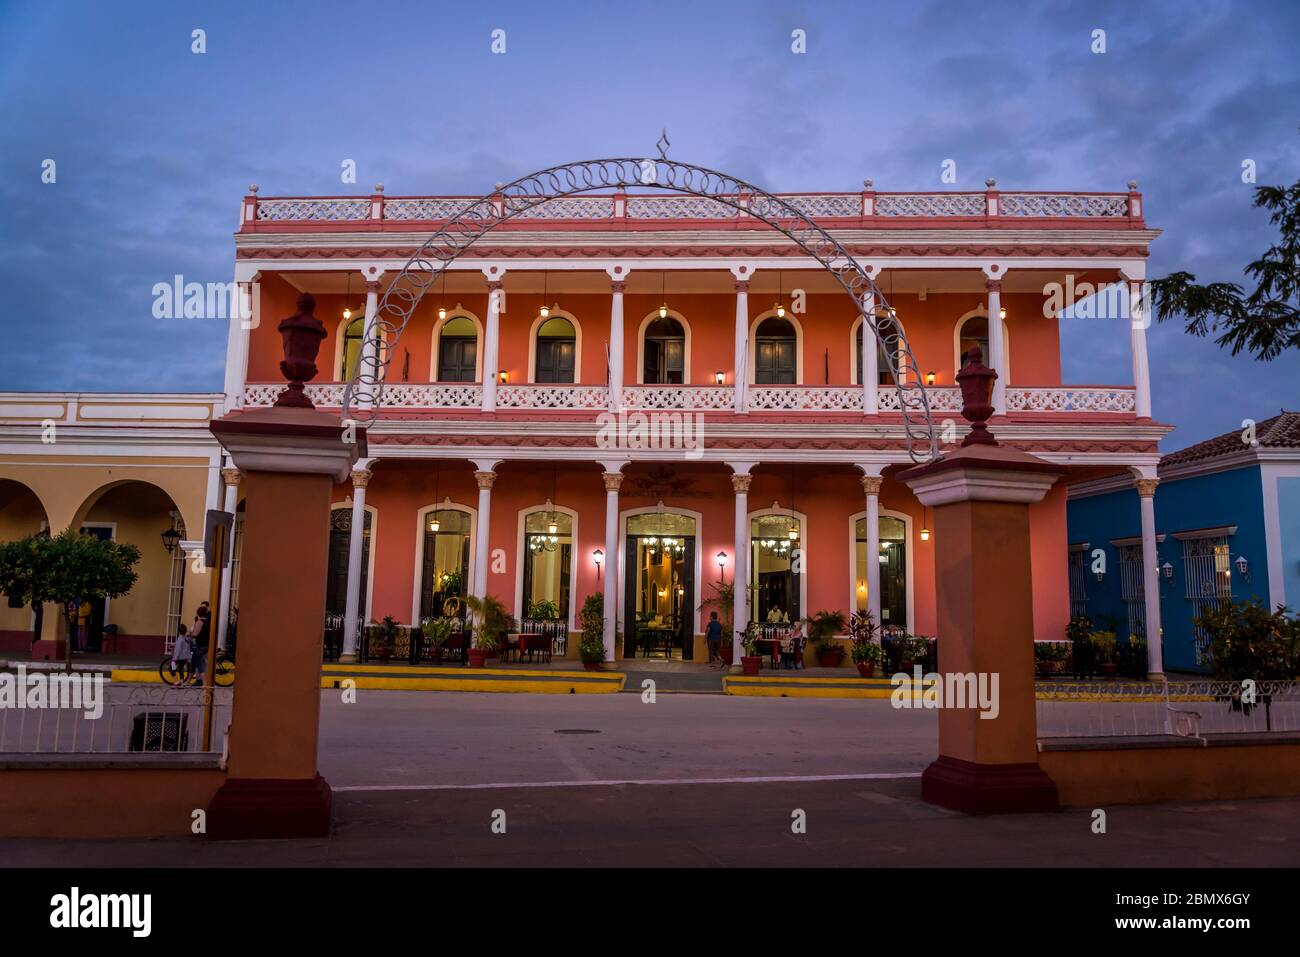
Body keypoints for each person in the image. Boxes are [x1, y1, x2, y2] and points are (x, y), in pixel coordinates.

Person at [189, 602, 211, 686]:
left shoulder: (200, 622)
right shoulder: (207, 620)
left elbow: (195, 634)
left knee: (199, 664)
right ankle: (188, 681)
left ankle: (203, 682)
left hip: (200, 645)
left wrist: (190, 634)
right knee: (194, 663)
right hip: (205, 644)